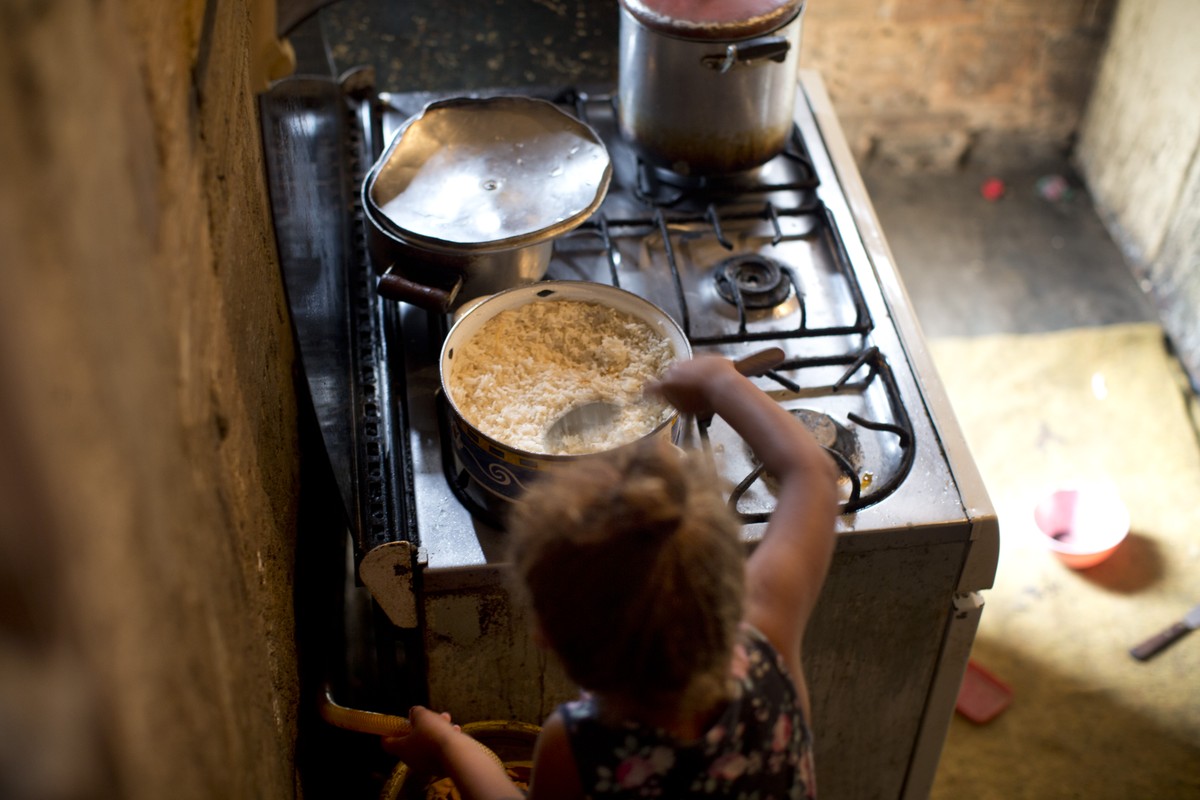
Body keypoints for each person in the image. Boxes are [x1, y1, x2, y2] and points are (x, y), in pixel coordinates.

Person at [383, 354, 840, 799]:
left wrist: (448, 746)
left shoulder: (581, 744)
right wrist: (722, 381)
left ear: (545, 634)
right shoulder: (768, 634)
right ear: (730, 577)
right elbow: (813, 474)